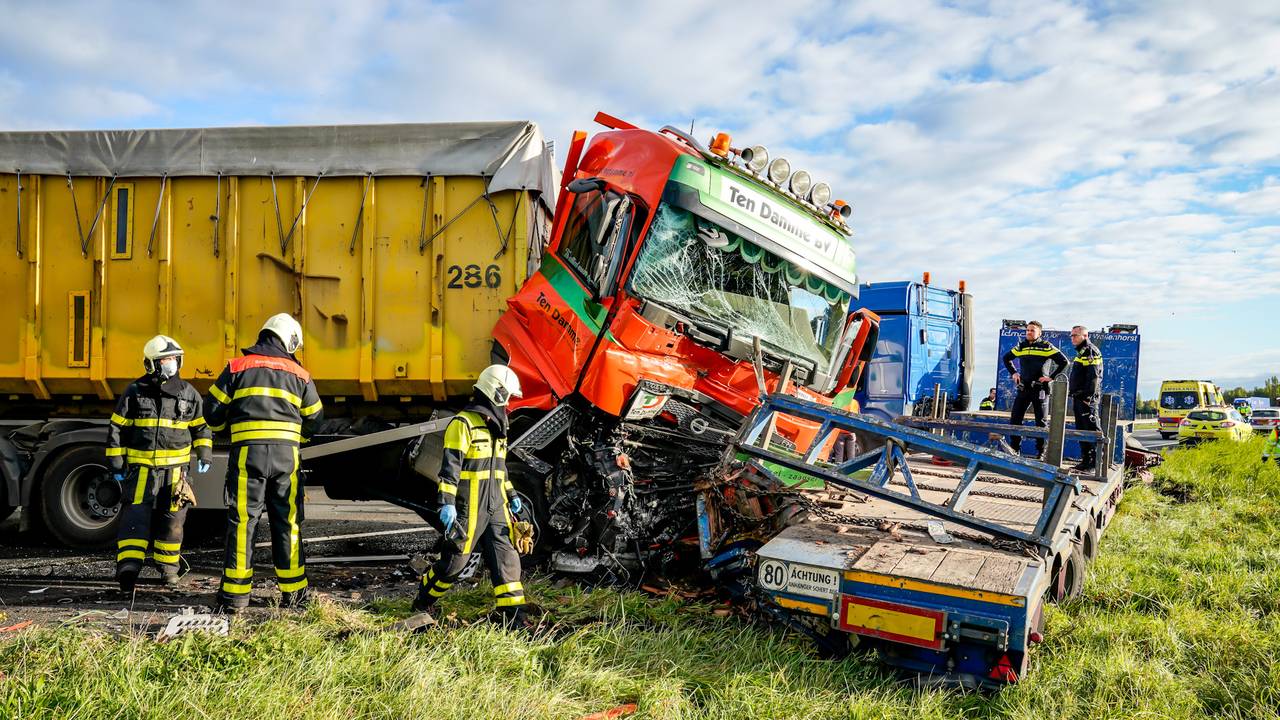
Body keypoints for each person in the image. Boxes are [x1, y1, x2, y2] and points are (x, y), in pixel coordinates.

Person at [205, 314, 323, 613]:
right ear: (290, 341)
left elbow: (212, 411)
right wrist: (298, 438)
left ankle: (235, 598)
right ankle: (294, 595)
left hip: (249, 456)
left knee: (244, 522)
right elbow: (315, 417)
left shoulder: (237, 367)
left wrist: (225, 429)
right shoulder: (300, 374)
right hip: (287, 459)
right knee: (288, 523)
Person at [414, 365, 528, 625]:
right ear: (495, 392)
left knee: (507, 559)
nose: (508, 403)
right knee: (454, 563)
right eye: (507, 396)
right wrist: (447, 503)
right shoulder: (463, 424)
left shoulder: (499, 427)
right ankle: (423, 600)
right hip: (470, 506)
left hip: (496, 505)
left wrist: (511, 495)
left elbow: (500, 468)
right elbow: (449, 470)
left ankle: (515, 618)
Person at [106, 335, 212, 592]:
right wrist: (116, 463)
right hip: (141, 470)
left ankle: (168, 569)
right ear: (151, 363)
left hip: (176, 474)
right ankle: (129, 567)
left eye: (175, 358)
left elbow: (201, 428)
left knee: (172, 521)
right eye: (166, 359)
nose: (171, 363)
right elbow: (117, 428)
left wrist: (205, 454)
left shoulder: (188, 393)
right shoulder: (135, 391)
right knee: (135, 517)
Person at [1001, 321, 1068, 458]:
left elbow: (1064, 362)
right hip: (1024, 388)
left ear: (1040, 333)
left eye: (1032, 330)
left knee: (1041, 422)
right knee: (1015, 419)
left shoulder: (1046, 346)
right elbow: (1006, 358)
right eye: (1027, 330)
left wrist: (1051, 377)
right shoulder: (1021, 346)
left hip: (1040, 389)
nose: (1029, 332)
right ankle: (1015, 449)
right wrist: (1014, 373)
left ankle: (1041, 452)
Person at [1068, 325, 1104, 471]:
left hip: (1087, 400)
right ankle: (1086, 461)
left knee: (1091, 429)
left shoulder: (1090, 351)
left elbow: (1094, 376)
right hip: (1079, 397)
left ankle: (1096, 463)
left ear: (1085, 336)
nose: (1072, 338)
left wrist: (1088, 397)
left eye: (1075, 335)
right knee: (1082, 429)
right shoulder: (1081, 352)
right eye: (1071, 335)